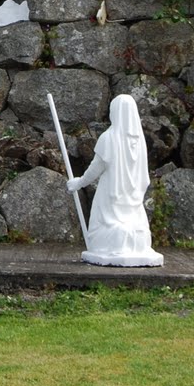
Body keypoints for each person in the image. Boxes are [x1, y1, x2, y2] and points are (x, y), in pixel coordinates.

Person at [68, 94, 164, 267]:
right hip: (133, 197)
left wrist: (79, 182)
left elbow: (96, 167)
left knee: (111, 229)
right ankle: (133, 241)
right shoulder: (139, 140)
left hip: (111, 196)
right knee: (135, 228)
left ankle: (115, 242)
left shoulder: (109, 137)